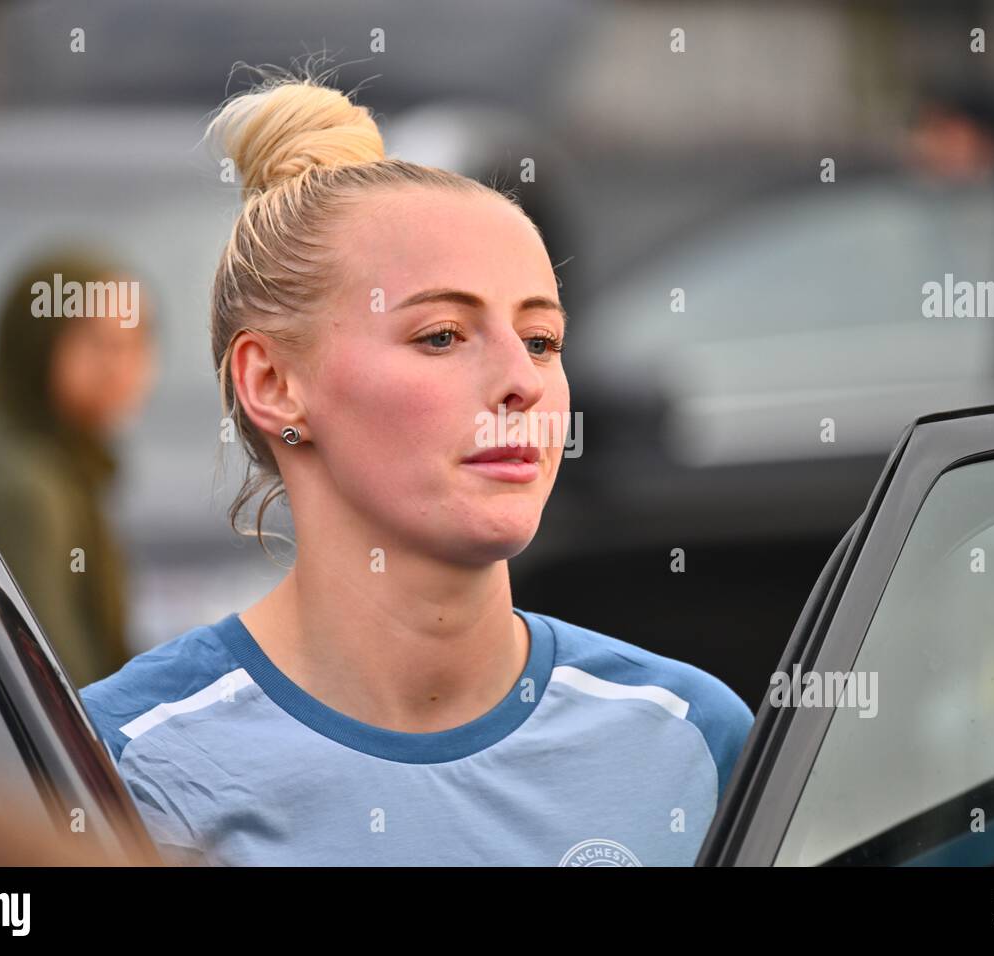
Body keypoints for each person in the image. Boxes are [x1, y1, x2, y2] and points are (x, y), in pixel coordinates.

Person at [79, 65, 754, 866]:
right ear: (272, 383)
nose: (522, 379)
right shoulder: (120, 768)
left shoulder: (692, 738)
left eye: (541, 339)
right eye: (441, 335)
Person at [0, 249, 156, 689]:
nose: (122, 366)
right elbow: (55, 687)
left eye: (137, 341)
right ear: (37, 346)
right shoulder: (22, 488)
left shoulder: (68, 471)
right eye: (99, 343)